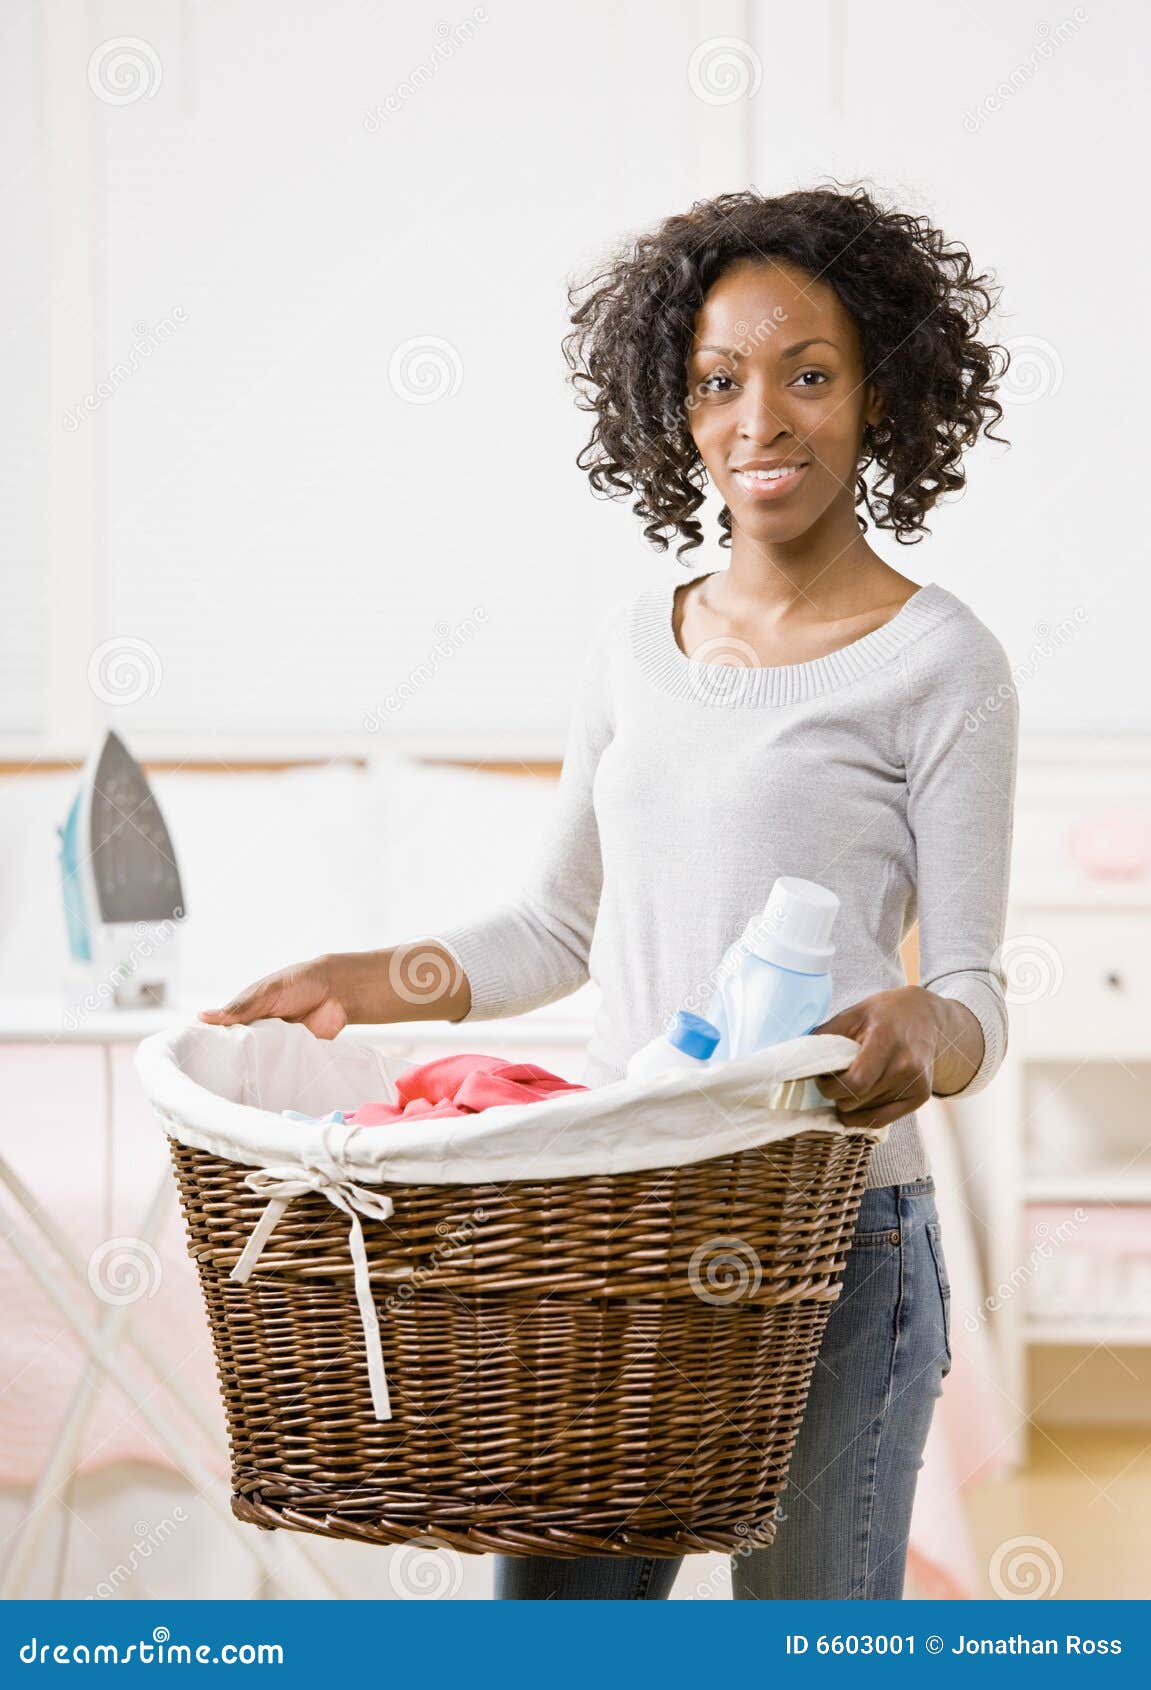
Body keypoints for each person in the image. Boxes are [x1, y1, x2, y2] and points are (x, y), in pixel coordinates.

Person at [200, 182, 1019, 1600]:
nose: (760, 418)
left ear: (880, 389)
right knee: (557, 1639)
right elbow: (555, 930)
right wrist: (365, 972)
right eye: (718, 383)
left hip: (834, 1237)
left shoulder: (942, 664)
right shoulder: (637, 644)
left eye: (808, 375)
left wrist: (925, 1038)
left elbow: (974, 997)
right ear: (677, 411)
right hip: (614, 1228)